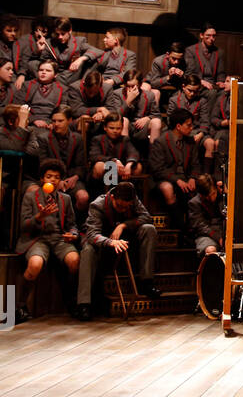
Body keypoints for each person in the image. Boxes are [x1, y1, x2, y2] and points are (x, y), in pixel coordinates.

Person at [77, 182, 160, 320]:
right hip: (101, 241)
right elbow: (92, 235)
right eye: (119, 206)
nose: (122, 209)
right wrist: (110, 242)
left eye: (126, 207)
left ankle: (146, 282)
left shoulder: (133, 199)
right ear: (113, 197)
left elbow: (147, 217)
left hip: (124, 237)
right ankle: (84, 304)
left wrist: (123, 225)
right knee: (87, 250)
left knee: (149, 229)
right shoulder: (97, 205)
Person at [15, 158, 81, 321]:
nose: (53, 180)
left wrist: (73, 234)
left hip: (59, 239)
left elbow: (73, 224)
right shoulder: (31, 197)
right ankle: (20, 306)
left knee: (74, 260)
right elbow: (24, 226)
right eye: (49, 176)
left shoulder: (65, 199)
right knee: (35, 264)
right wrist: (39, 216)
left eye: (56, 177)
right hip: (37, 239)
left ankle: (71, 301)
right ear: (42, 179)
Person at [26, 106, 89, 211]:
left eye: (60, 121)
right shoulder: (44, 138)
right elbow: (44, 164)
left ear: (69, 120)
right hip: (50, 178)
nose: (56, 124)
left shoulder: (77, 139)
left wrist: (75, 177)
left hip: (71, 178)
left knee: (83, 197)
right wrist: (57, 180)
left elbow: (81, 165)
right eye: (54, 121)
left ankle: (75, 224)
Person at [150, 110, 199, 225]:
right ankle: (181, 227)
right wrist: (177, 180)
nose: (191, 128)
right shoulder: (161, 142)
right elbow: (158, 169)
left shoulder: (191, 141)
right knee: (168, 188)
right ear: (178, 126)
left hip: (186, 177)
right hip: (165, 179)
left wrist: (192, 178)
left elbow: (196, 165)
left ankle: (196, 226)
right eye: (188, 125)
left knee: (201, 184)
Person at [169, 75, 216, 172]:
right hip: (179, 132)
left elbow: (205, 121)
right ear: (183, 87)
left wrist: (201, 134)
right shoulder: (174, 100)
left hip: (197, 131)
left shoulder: (202, 101)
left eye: (195, 91)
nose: (192, 94)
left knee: (210, 143)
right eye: (189, 90)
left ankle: (206, 176)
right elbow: (171, 121)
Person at [90, 109, 141, 186]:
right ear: (105, 127)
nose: (115, 131)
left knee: (138, 166)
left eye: (118, 128)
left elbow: (133, 153)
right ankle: (106, 192)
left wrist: (129, 164)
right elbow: (94, 156)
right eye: (112, 128)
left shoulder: (125, 139)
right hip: (106, 170)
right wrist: (114, 161)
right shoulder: (97, 139)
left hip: (121, 171)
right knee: (99, 165)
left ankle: (126, 190)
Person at [120, 68, 161, 151]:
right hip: (126, 126)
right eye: (128, 86)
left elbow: (157, 115)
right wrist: (128, 101)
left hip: (142, 126)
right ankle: (124, 156)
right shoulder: (117, 94)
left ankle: (154, 157)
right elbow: (115, 116)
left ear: (140, 84)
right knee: (124, 120)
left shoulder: (149, 95)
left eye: (134, 86)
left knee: (156, 122)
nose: (131, 89)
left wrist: (148, 118)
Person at [87, 27, 137, 93]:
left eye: (107, 37)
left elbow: (128, 73)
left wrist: (113, 81)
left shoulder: (129, 55)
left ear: (116, 40)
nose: (104, 40)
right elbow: (94, 69)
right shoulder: (103, 53)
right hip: (101, 83)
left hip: (118, 85)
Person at [20, 61, 67, 129]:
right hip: (29, 121)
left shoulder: (62, 89)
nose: (43, 72)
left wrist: (53, 123)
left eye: (48, 71)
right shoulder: (27, 85)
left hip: (52, 122)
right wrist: (33, 120)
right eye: (41, 70)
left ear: (55, 74)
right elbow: (18, 106)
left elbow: (62, 110)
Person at [185, 24, 226, 100]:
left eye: (214, 36)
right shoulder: (191, 51)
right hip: (198, 85)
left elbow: (221, 72)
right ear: (201, 35)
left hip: (213, 85)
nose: (211, 38)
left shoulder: (219, 52)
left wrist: (221, 82)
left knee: (226, 93)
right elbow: (189, 73)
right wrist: (201, 81)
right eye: (208, 35)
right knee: (212, 93)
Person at [48, 18, 93, 87]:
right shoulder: (50, 42)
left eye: (63, 34)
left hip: (71, 74)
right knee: (33, 63)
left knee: (91, 60)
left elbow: (97, 51)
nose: (60, 37)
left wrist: (81, 59)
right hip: (56, 73)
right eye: (57, 34)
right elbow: (43, 60)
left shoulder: (79, 41)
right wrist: (39, 51)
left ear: (70, 31)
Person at [188, 174, 226, 256]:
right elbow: (201, 227)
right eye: (208, 197)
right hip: (206, 235)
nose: (212, 198)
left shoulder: (223, 197)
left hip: (224, 232)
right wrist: (219, 238)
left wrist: (227, 194)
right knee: (211, 250)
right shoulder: (194, 203)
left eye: (213, 194)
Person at [145, 41, 187, 109]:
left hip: (176, 89)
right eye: (174, 58)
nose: (176, 62)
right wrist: (168, 77)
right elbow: (154, 83)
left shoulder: (184, 62)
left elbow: (190, 79)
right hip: (159, 88)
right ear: (167, 54)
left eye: (179, 59)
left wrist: (183, 77)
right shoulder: (158, 62)